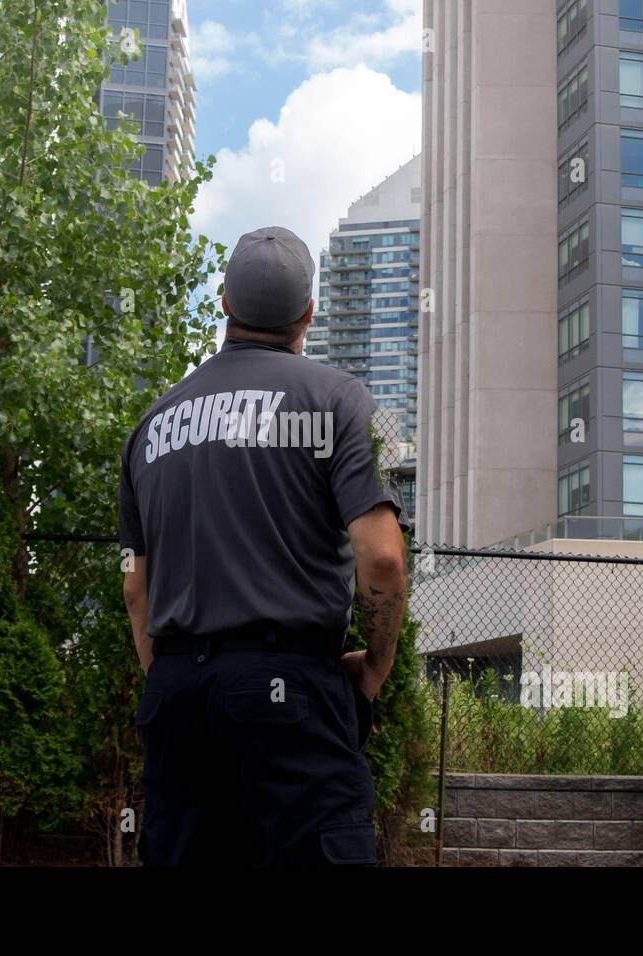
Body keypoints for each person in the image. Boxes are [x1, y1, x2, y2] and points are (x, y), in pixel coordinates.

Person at [118, 225, 409, 866]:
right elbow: (383, 560)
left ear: (224, 303)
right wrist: (378, 665)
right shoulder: (341, 401)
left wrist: (170, 682)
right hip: (292, 694)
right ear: (309, 313)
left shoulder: (152, 424)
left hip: (180, 695)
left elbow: (135, 585)